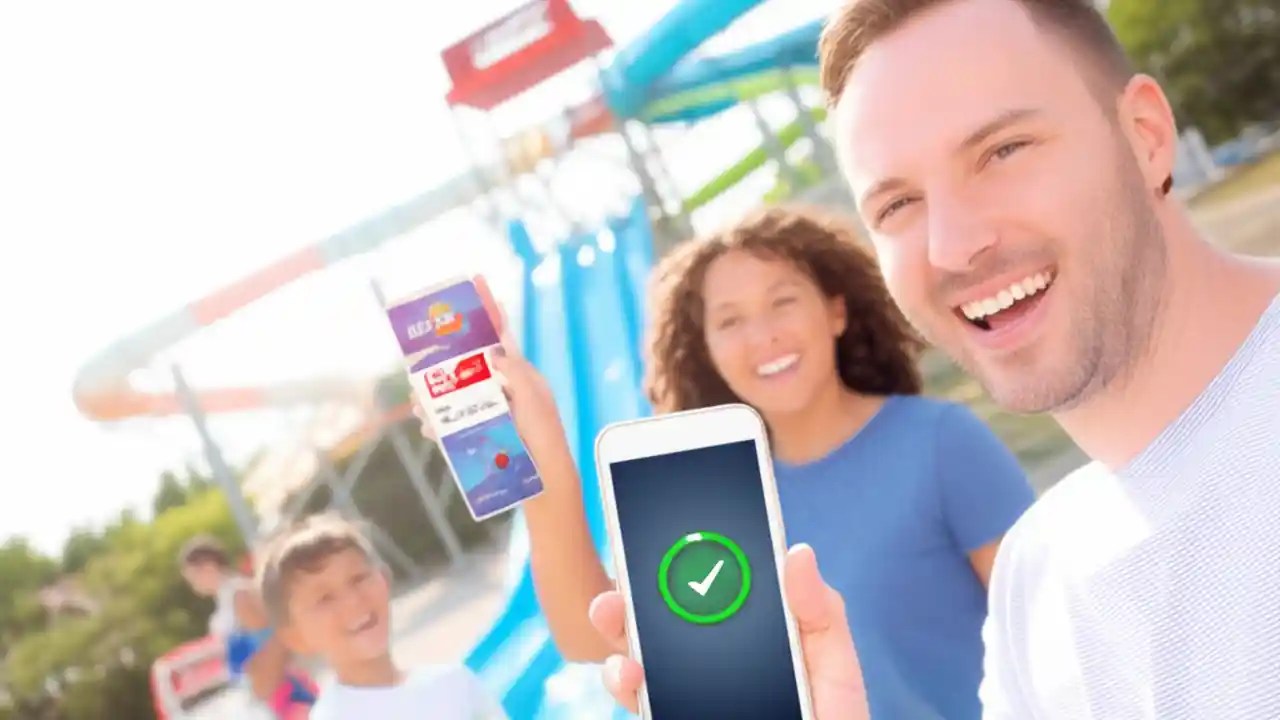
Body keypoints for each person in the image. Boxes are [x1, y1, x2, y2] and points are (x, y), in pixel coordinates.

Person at [597, 0, 1280, 717]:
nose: (952, 245)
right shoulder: (1036, 584)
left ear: (1145, 136)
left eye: (1002, 151)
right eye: (897, 206)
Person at [418, 201, 1036, 718]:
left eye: (783, 301)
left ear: (836, 310)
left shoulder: (939, 443)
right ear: (706, 349)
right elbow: (590, 637)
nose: (762, 334)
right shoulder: (706, 490)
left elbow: (1052, 632)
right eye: (730, 320)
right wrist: (542, 447)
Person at [260, 513, 507, 720]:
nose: (353, 601)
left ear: (384, 579)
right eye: (324, 598)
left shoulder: (455, 683)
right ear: (296, 638)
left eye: (358, 578)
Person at [178, 535, 317, 719]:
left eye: (193, 576)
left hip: (280, 687)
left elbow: (274, 639)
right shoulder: (227, 599)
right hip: (264, 689)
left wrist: (266, 683)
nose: (193, 585)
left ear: (208, 566)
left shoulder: (239, 594)